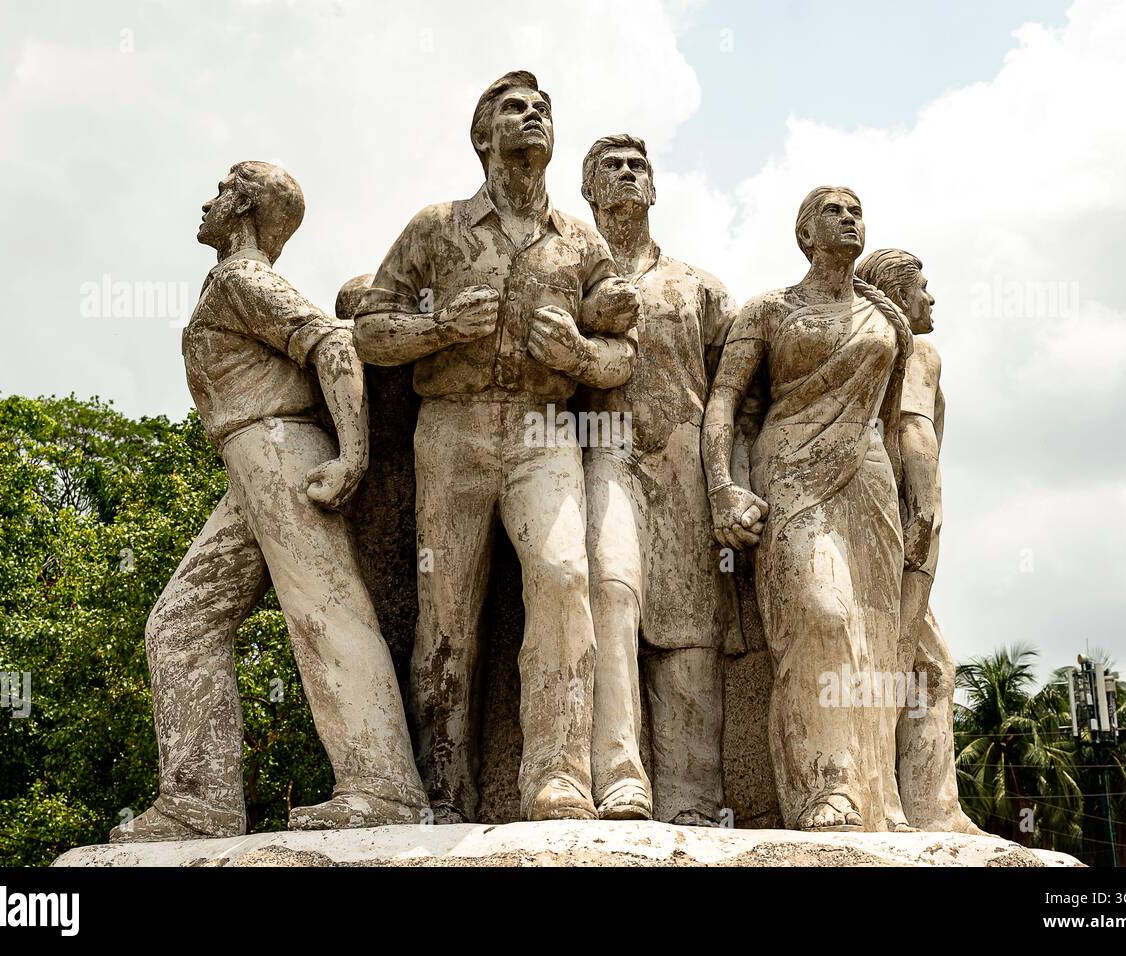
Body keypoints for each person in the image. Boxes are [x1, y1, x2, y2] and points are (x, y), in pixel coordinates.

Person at [353, 72, 641, 823]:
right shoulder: (435, 227)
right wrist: (440, 328)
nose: (533, 115)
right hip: (451, 428)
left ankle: (558, 776)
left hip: (545, 428)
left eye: (543, 108)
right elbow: (371, 331)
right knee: (445, 609)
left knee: (563, 576)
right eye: (515, 108)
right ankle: (441, 790)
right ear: (483, 136)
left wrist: (578, 354)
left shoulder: (579, 239)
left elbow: (624, 358)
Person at [112, 162, 427, 842]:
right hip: (251, 462)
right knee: (181, 623)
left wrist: (353, 454)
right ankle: (199, 806)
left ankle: (384, 789)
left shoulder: (241, 279)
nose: (207, 200)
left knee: (324, 609)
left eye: (223, 189)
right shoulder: (229, 280)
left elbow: (335, 342)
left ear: (247, 208)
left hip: (283, 452)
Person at [701, 186, 915, 831]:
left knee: (873, 640)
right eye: (834, 211)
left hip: (869, 484)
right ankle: (824, 788)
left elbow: (894, 419)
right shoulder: (769, 310)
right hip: (791, 475)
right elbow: (723, 401)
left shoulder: (887, 322)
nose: (850, 219)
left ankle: (877, 796)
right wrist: (721, 487)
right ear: (805, 236)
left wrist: (917, 499)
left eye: (857, 211)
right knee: (820, 618)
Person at [579, 134, 744, 825]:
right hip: (601, 448)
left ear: (653, 187)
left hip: (683, 461)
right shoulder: (569, 273)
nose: (625, 174)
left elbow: (742, 382)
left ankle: (695, 802)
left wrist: (732, 480)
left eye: (637, 166)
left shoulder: (697, 285)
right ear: (587, 189)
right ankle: (619, 778)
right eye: (610, 167)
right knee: (611, 596)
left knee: (690, 631)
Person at [855, 248, 983, 834]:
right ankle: (887, 801)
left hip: (893, 512)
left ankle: (929, 803)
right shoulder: (914, 350)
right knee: (902, 659)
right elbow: (913, 430)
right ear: (899, 294)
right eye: (923, 288)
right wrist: (925, 510)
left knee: (923, 663)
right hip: (905, 516)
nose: (932, 299)